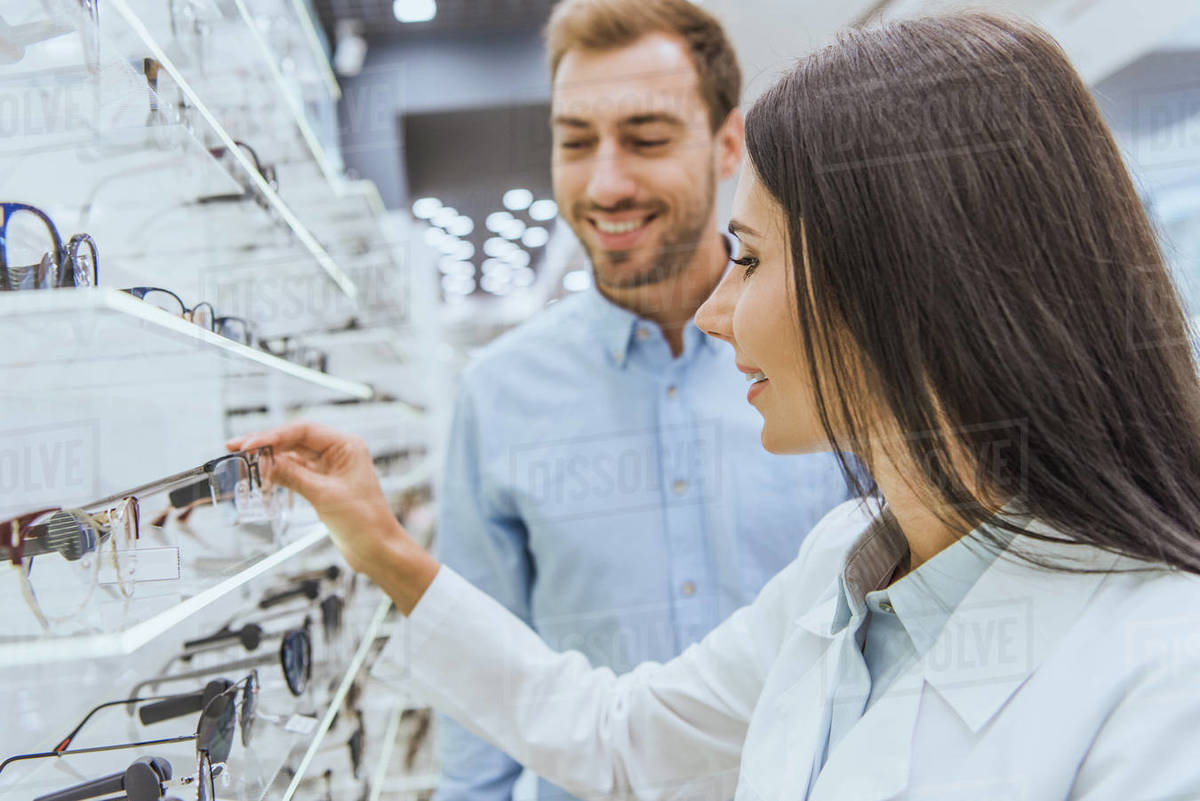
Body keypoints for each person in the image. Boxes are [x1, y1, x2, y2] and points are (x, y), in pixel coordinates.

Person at [230, 12, 1200, 799]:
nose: (721, 311)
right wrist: (387, 553)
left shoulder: (1162, 681)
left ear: (904, 282)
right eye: (575, 140)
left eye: (754, 259)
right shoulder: (844, 571)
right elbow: (622, 738)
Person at [429, 2, 848, 801]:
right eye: (575, 142)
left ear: (729, 144)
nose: (606, 182)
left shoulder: (832, 354)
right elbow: (480, 697)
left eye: (647, 139)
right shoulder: (497, 397)